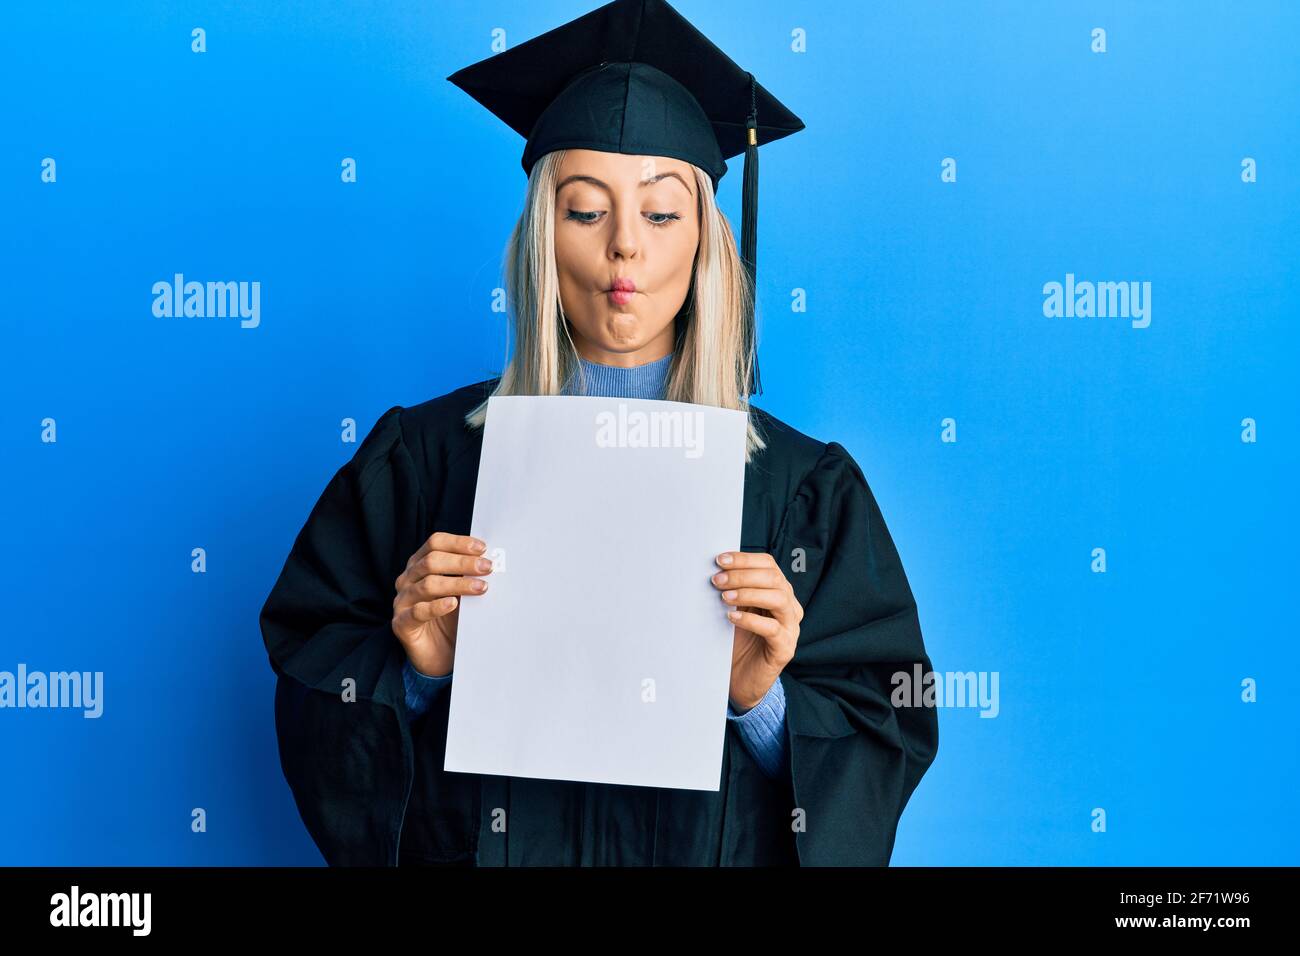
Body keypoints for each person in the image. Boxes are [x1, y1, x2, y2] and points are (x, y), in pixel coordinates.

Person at [259, 0, 938, 866]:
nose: (626, 247)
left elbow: (889, 735)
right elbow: (313, 688)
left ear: (706, 244)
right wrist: (419, 671)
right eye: (585, 211)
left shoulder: (805, 492)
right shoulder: (420, 461)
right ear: (543, 235)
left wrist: (759, 702)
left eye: (661, 214)